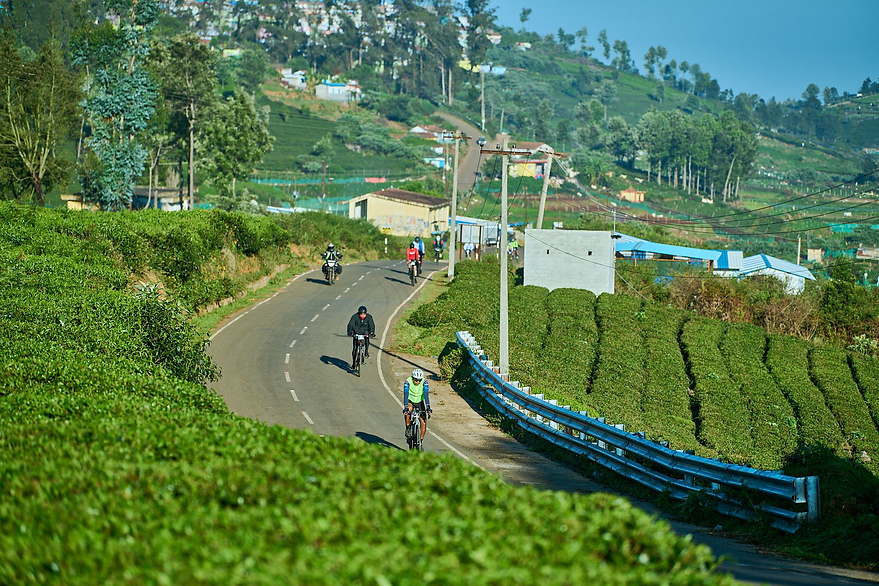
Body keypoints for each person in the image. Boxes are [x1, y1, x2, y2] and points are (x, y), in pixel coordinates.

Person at [403, 368, 431, 448]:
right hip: (410, 400)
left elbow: (426, 394)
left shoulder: (424, 382)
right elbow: (405, 394)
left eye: (419, 380)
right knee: (409, 410)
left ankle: (421, 442)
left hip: (419, 401)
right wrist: (405, 407)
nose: (417, 382)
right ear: (412, 378)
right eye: (415, 380)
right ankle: (408, 427)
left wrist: (428, 407)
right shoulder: (407, 382)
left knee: (423, 421)